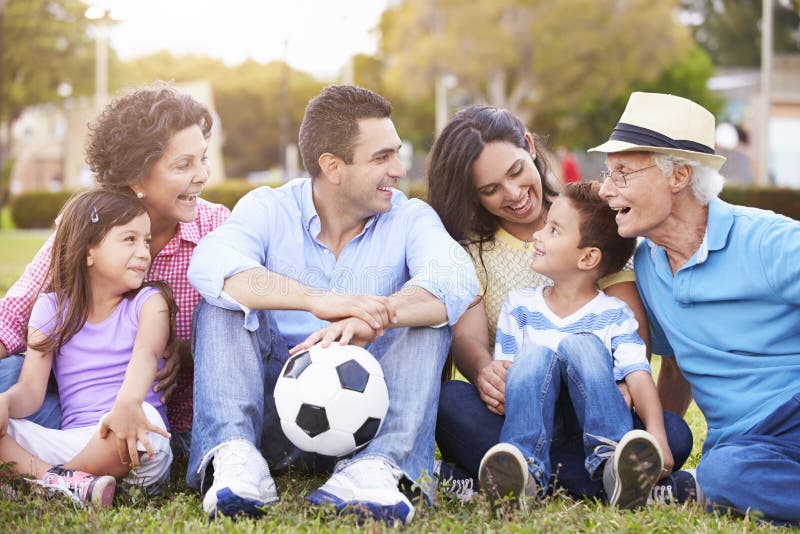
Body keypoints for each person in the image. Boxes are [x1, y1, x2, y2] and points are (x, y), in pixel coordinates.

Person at [186, 85, 478, 524]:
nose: (399, 170)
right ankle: (237, 460)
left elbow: (456, 279)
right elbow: (211, 262)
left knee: (428, 313)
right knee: (223, 300)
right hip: (275, 413)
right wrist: (318, 300)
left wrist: (380, 315)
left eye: (396, 154)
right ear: (332, 167)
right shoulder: (269, 208)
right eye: (382, 158)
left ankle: (378, 469)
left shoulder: (410, 217)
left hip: (370, 419)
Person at [426, 105, 693, 503]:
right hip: (523, 412)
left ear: (530, 147)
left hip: (595, 408)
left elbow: (631, 334)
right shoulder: (474, 252)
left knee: (672, 432)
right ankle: (607, 481)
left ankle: (534, 477)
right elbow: (469, 339)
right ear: (472, 193)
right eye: (490, 189)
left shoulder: (590, 217)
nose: (513, 194)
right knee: (448, 404)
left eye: (516, 172)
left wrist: (616, 383)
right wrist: (486, 372)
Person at [592, 91, 800, 524]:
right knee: (723, 475)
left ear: (679, 175)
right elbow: (677, 365)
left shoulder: (768, 241)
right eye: (607, 173)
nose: (606, 188)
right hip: (745, 447)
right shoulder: (647, 265)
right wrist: (658, 441)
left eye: (623, 173)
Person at [0, 85, 230, 456]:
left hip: (173, 424)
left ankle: (54, 469)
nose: (202, 175)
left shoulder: (216, 228)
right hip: (80, 411)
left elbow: (248, 333)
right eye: (183, 165)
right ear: (137, 179)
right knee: (9, 376)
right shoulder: (91, 226)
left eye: (202, 159)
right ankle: (61, 470)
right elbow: (13, 316)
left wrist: (185, 352)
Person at [479, 181, 667, 510]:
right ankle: (524, 471)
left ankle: (613, 463)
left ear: (587, 257)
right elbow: (508, 377)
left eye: (553, 230)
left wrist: (658, 435)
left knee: (582, 347)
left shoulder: (613, 314)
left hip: (592, 425)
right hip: (538, 425)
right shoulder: (519, 307)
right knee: (532, 359)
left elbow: (638, 373)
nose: (537, 235)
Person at [0, 190, 174, 506]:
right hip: (73, 443)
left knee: (145, 418)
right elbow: (30, 390)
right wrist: (5, 404)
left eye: (146, 241)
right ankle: (74, 484)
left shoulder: (150, 303)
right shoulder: (50, 307)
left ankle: (48, 481)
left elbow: (147, 356)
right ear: (88, 251)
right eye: (129, 239)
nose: (144, 252)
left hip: (132, 442)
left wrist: (127, 404)